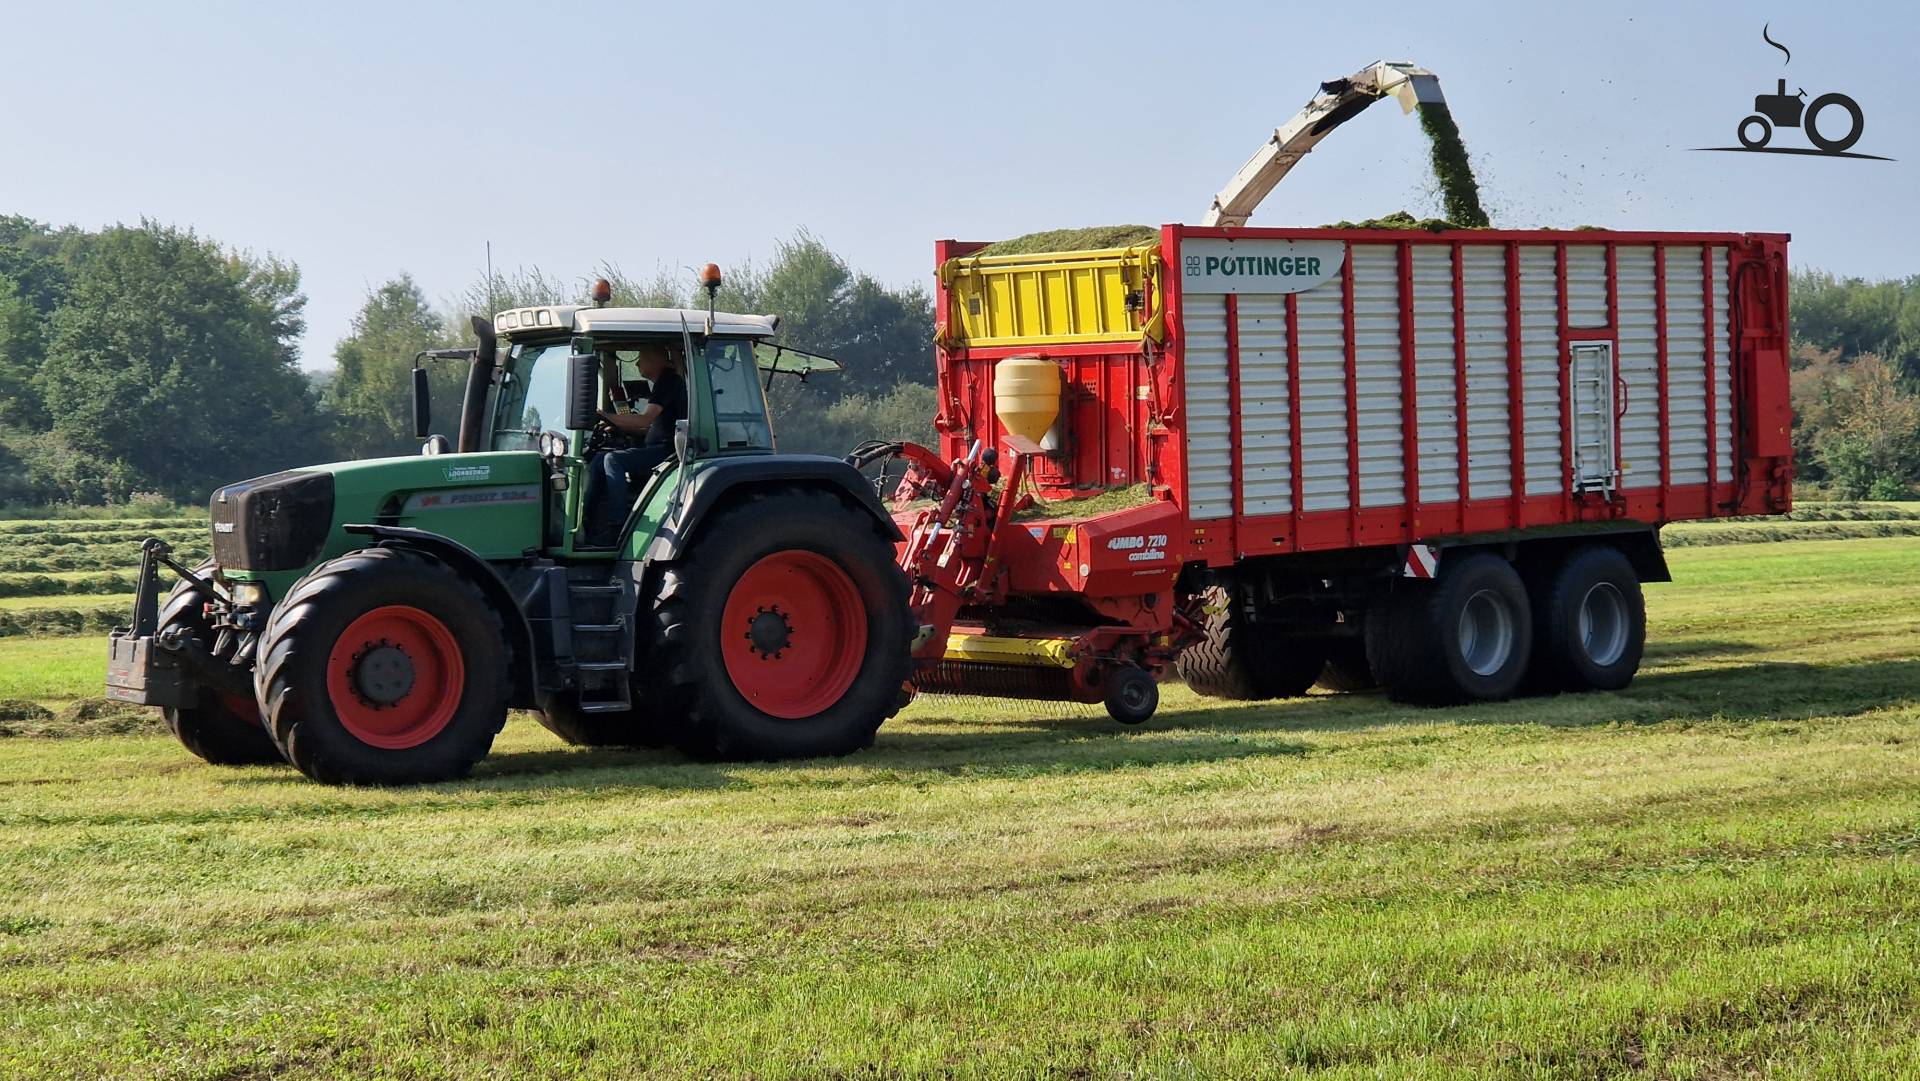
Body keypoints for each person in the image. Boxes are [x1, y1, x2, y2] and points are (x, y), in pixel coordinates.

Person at [586, 342, 687, 546]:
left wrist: (605, 414)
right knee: (598, 459)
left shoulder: (668, 381)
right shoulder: (663, 384)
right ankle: (587, 521)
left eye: (642, 357)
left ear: (655, 360)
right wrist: (615, 424)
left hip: (667, 451)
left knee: (613, 460)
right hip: (656, 445)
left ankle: (618, 527)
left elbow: (645, 420)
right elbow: (649, 428)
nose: (638, 362)